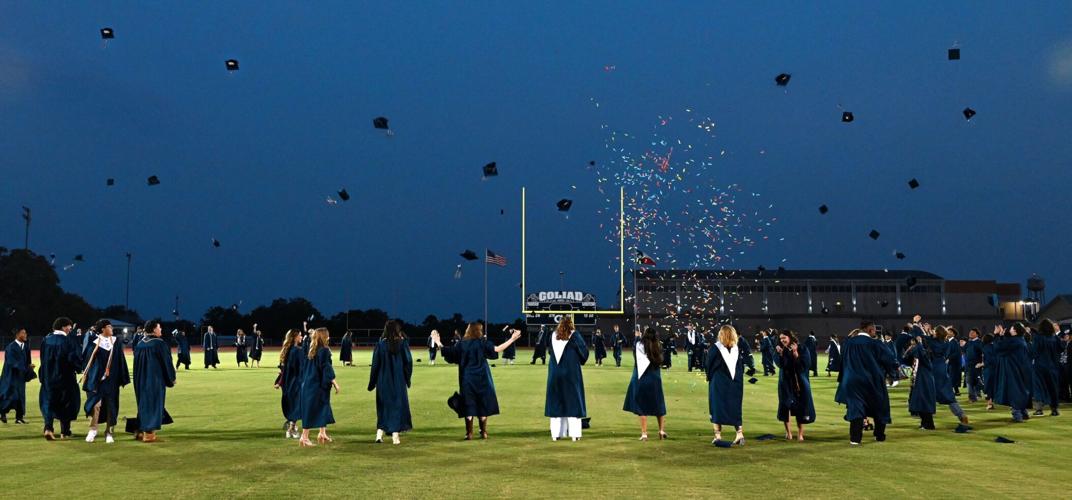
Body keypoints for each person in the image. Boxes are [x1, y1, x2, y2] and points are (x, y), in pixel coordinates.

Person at [433, 322, 523, 439]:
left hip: (467, 379)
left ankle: (469, 433)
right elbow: (497, 349)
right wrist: (512, 339)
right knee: (483, 404)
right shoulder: (482, 343)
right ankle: (483, 432)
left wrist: (438, 342)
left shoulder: (462, 344)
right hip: (483, 378)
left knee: (469, 404)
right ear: (479, 331)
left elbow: (449, 353)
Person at [836, 321, 898, 445]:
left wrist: (843, 379)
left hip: (851, 380)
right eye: (874, 330)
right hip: (872, 380)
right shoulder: (875, 343)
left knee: (856, 407)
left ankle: (855, 439)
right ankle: (879, 435)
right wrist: (893, 374)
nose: (875, 332)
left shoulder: (848, 343)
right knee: (880, 406)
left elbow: (842, 361)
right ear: (870, 330)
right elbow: (890, 359)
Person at [80, 319, 130, 444]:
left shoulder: (116, 343)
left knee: (111, 406)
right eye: (109, 326)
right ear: (102, 329)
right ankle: (93, 430)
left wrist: (122, 378)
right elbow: (88, 362)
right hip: (97, 380)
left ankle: (109, 432)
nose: (111, 328)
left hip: (112, 380)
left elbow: (120, 360)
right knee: (95, 405)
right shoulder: (94, 343)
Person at [544, 315, 589, 441]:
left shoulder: (552, 336)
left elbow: (550, 352)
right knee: (573, 402)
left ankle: (556, 434)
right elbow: (584, 354)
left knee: (557, 402)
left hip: (555, 373)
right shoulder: (575, 335)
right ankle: (574, 435)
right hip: (571, 374)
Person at [368, 320, 413, 444]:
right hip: (398, 381)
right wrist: (407, 378)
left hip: (383, 381)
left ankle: (379, 435)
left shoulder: (380, 345)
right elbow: (408, 362)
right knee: (397, 407)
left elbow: (375, 365)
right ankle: (395, 436)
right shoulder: (402, 344)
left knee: (383, 407)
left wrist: (372, 382)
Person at [133, 321, 176, 443]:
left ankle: (140, 430)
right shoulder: (159, 344)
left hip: (140, 379)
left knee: (144, 403)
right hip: (154, 379)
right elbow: (166, 362)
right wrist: (171, 378)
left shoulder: (140, 344)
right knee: (154, 403)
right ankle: (149, 434)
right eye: (159, 327)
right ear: (153, 329)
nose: (161, 329)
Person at [39, 317, 81, 440]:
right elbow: (73, 358)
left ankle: (48, 428)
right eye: (69, 326)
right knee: (66, 403)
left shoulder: (46, 340)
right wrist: (79, 367)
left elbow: (42, 359)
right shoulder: (68, 341)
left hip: (49, 377)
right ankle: (65, 431)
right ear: (63, 327)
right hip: (65, 377)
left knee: (49, 402)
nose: (70, 329)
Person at [705, 325, 746, 446]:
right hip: (735, 382)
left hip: (719, 382)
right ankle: (739, 434)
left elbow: (708, 364)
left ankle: (717, 436)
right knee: (734, 406)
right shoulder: (736, 349)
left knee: (717, 407)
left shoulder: (715, 349)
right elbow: (740, 367)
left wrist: (709, 376)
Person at [624, 327, 667, 440]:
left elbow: (635, 353)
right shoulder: (658, 346)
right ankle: (661, 431)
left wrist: (638, 336)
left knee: (642, 407)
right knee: (659, 405)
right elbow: (662, 361)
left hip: (641, 379)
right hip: (655, 379)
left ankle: (644, 433)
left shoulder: (639, 345)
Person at [299, 328, 340, 447]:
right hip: (316, 385)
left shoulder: (311, 349)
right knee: (312, 409)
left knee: (323, 407)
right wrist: (335, 383)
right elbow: (326, 368)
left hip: (307, 383)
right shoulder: (324, 351)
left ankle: (322, 433)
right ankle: (304, 437)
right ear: (324, 337)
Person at [774, 330, 815, 441]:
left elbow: (805, 366)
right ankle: (788, 433)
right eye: (781, 338)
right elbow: (780, 365)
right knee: (785, 406)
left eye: (784, 338)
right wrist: (781, 354)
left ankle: (800, 434)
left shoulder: (802, 348)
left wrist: (796, 354)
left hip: (799, 382)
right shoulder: (779, 349)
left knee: (800, 407)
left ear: (790, 337)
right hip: (785, 382)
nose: (782, 340)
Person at [992, 324, 1033, 422]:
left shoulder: (1015, 341)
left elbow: (998, 348)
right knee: (1021, 390)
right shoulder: (1021, 339)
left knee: (1014, 390)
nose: (1009, 329)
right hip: (1022, 368)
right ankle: (1023, 412)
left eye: (1011, 328)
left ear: (1015, 331)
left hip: (1014, 369)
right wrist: (1001, 336)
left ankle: (1017, 414)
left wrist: (997, 335)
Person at [0, 327, 35, 424]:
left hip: (20, 377)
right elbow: (12, 363)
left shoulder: (26, 347)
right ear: (17, 335)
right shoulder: (11, 347)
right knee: (8, 395)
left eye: (25, 333)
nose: (25, 335)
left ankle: (19, 417)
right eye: (23, 333)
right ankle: (2, 413)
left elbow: (28, 361)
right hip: (10, 376)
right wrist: (25, 367)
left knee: (20, 396)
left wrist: (29, 369)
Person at [275, 329, 304, 439]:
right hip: (296, 382)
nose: (301, 337)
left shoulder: (286, 350)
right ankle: (291, 429)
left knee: (293, 405)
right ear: (295, 337)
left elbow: (283, 368)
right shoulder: (297, 351)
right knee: (297, 406)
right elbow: (301, 369)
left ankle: (291, 427)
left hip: (287, 382)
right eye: (300, 335)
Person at [1032, 319, 1062, 416]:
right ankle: (1054, 409)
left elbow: (1034, 351)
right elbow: (1061, 349)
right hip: (1053, 366)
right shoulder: (1055, 338)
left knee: (1039, 387)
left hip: (1040, 366)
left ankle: (1039, 409)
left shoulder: (1038, 337)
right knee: (1053, 388)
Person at [964, 328, 984, 403]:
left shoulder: (980, 342)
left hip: (976, 365)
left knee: (977, 381)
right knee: (969, 381)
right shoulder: (969, 342)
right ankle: (972, 397)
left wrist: (981, 363)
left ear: (977, 334)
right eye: (970, 332)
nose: (970, 333)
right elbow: (964, 350)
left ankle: (978, 395)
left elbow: (983, 353)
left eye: (972, 332)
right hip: (969, 365)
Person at [947, 327, 964, 396]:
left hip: (954, 363)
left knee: (952, 377)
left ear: (953, 334)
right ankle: (956, 392)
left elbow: (957, 353)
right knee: (951, 378)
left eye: (949, 332)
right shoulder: (949, 341)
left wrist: (949, 359)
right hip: (951, 363)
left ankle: (953, 392)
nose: (948, 333)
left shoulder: (954, 342)